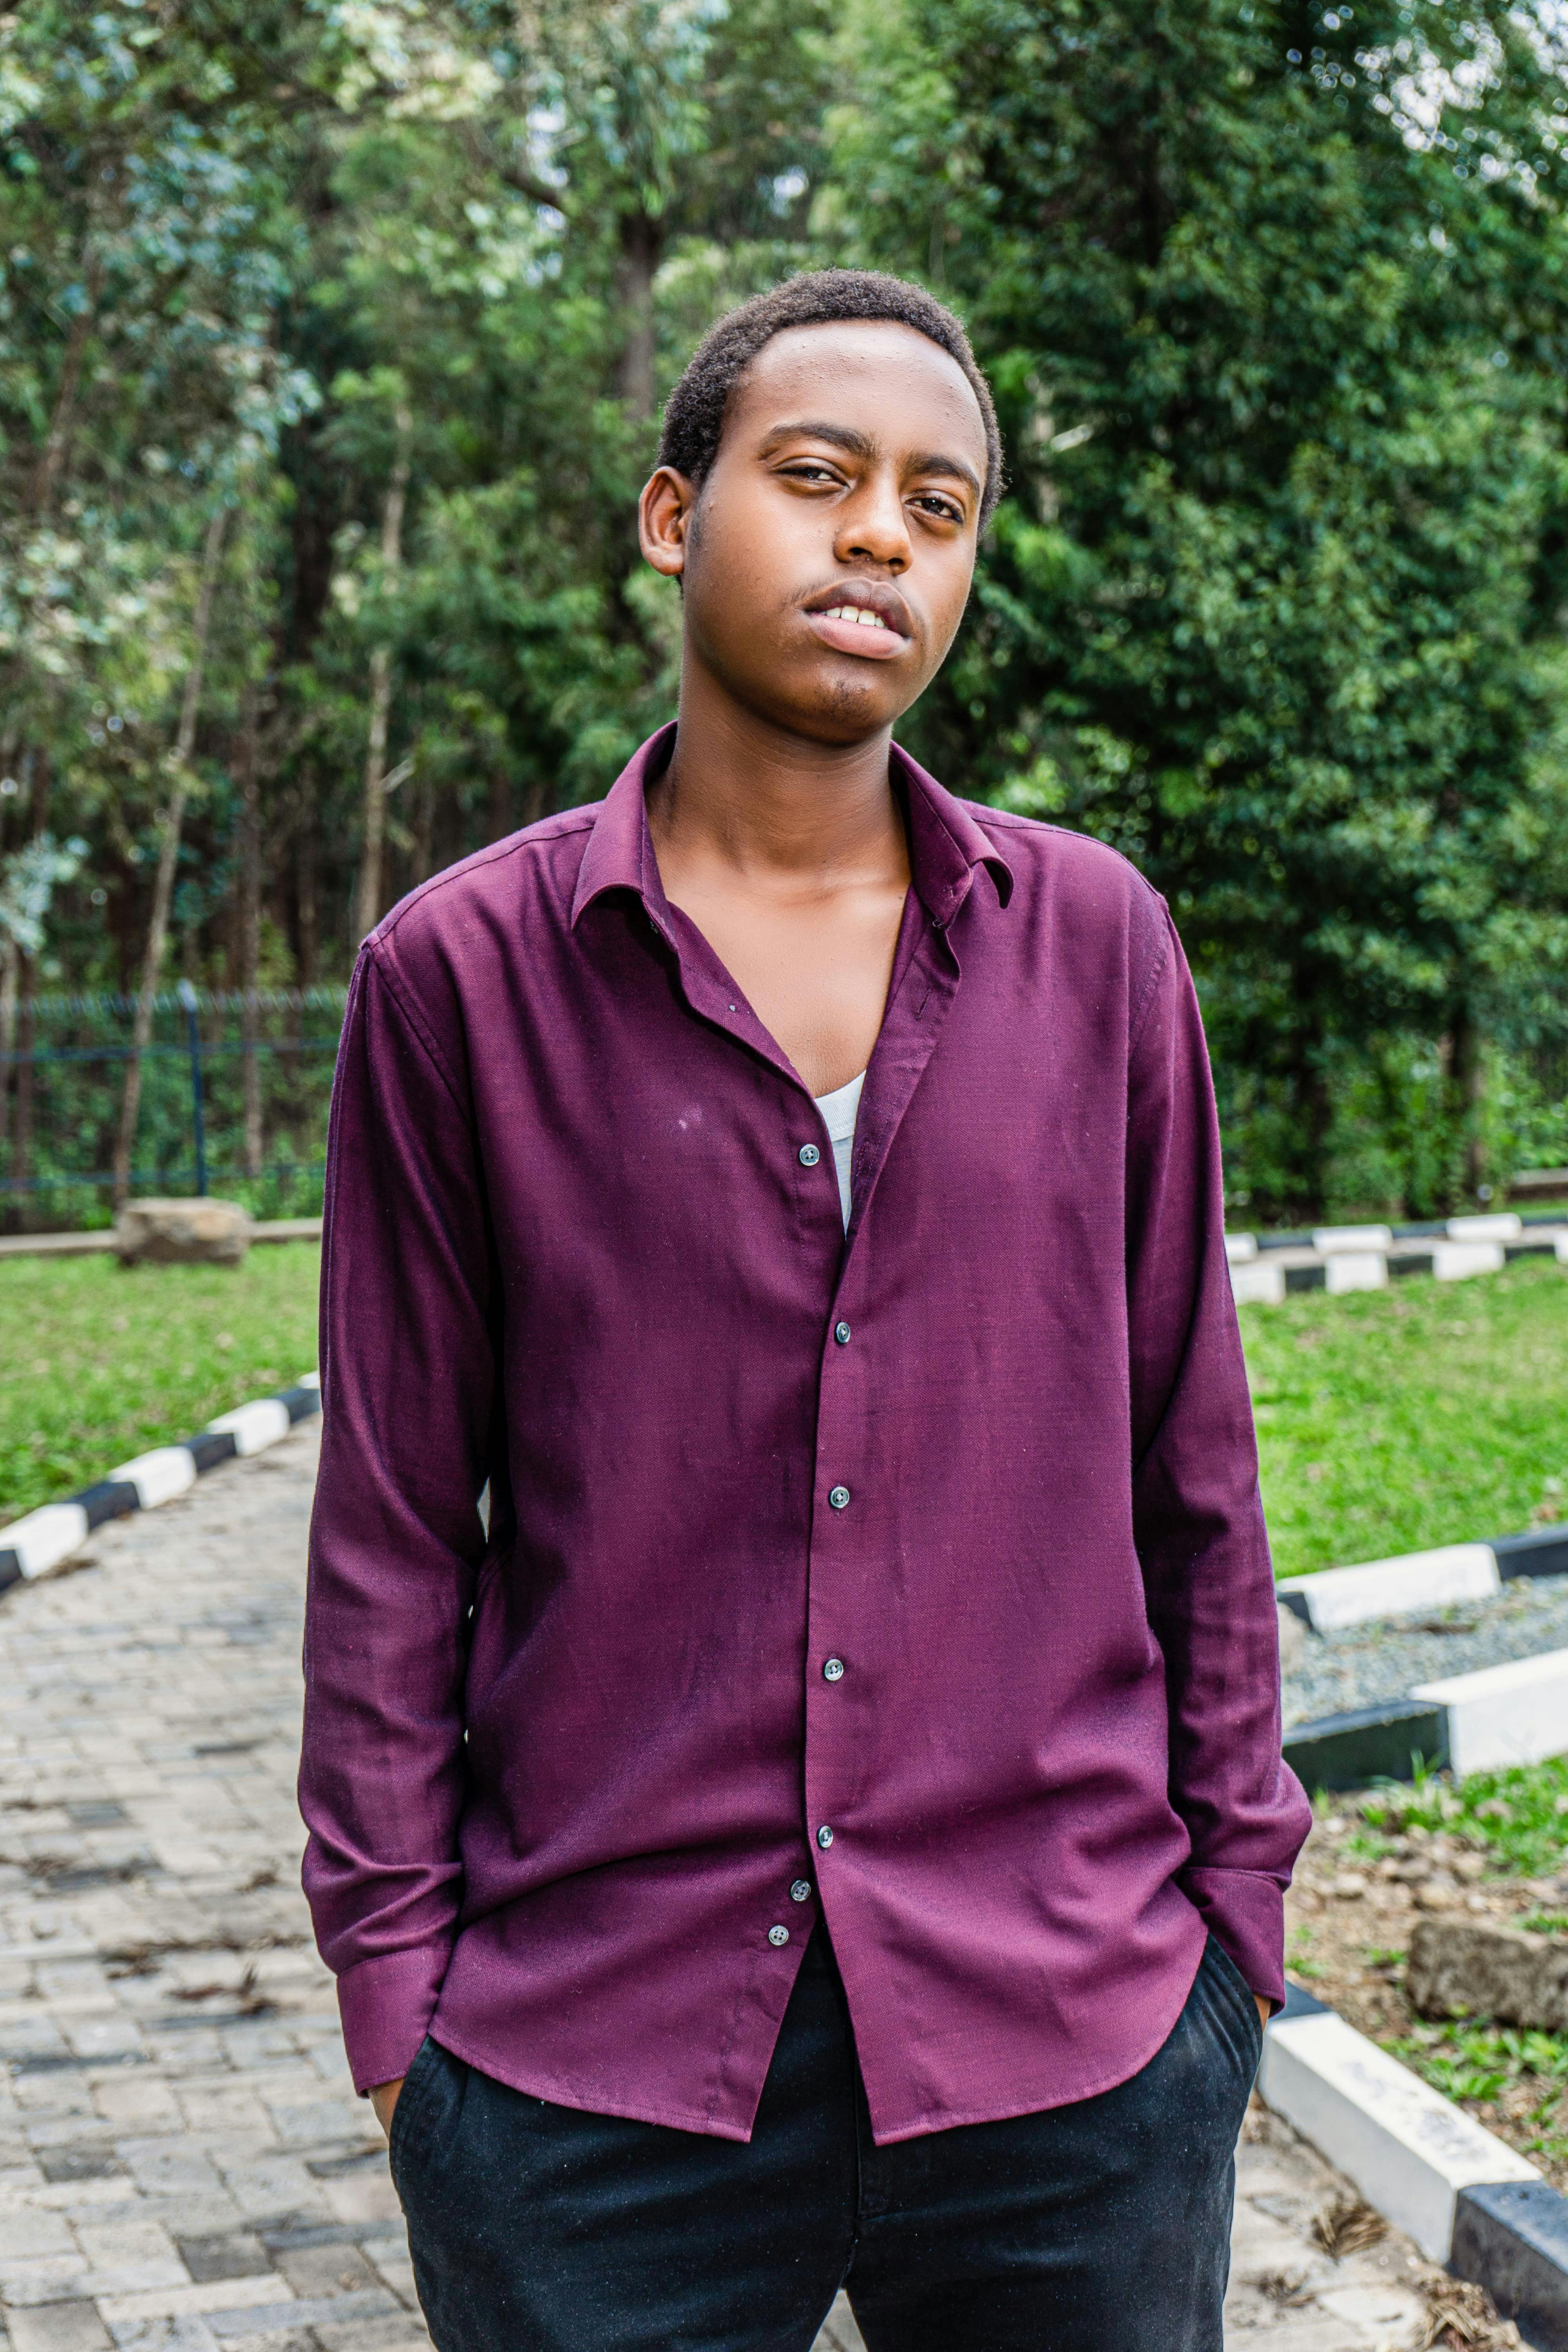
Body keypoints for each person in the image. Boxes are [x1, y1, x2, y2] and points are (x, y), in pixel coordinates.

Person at [299, 267, 1310, 2352]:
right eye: (821, 476)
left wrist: (1234, 1929)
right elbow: (394, 1529)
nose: (880, 540)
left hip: (1075, 2041)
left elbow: (1193, 1470)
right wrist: (401, 2004)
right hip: (592, 2067)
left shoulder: (1098, 948)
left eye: (940, 508)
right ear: (675, 516)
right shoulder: (459, 980)